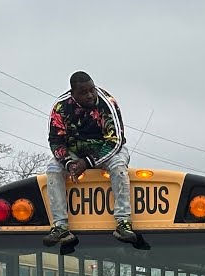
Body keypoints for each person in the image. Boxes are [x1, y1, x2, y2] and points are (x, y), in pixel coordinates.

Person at [44, 71, 145, 249]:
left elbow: (115, 141)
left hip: (108, 150)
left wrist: (87, 163)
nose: (91, 95)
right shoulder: (60, 107)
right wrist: (68, 162)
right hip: (75, 152)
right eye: (84, 92)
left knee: (119, 167)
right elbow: (56, 141)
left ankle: (123, 222)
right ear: (73, 93)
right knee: (53, 168)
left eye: (92, 90)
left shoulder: (108, 103)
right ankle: (60, 226)